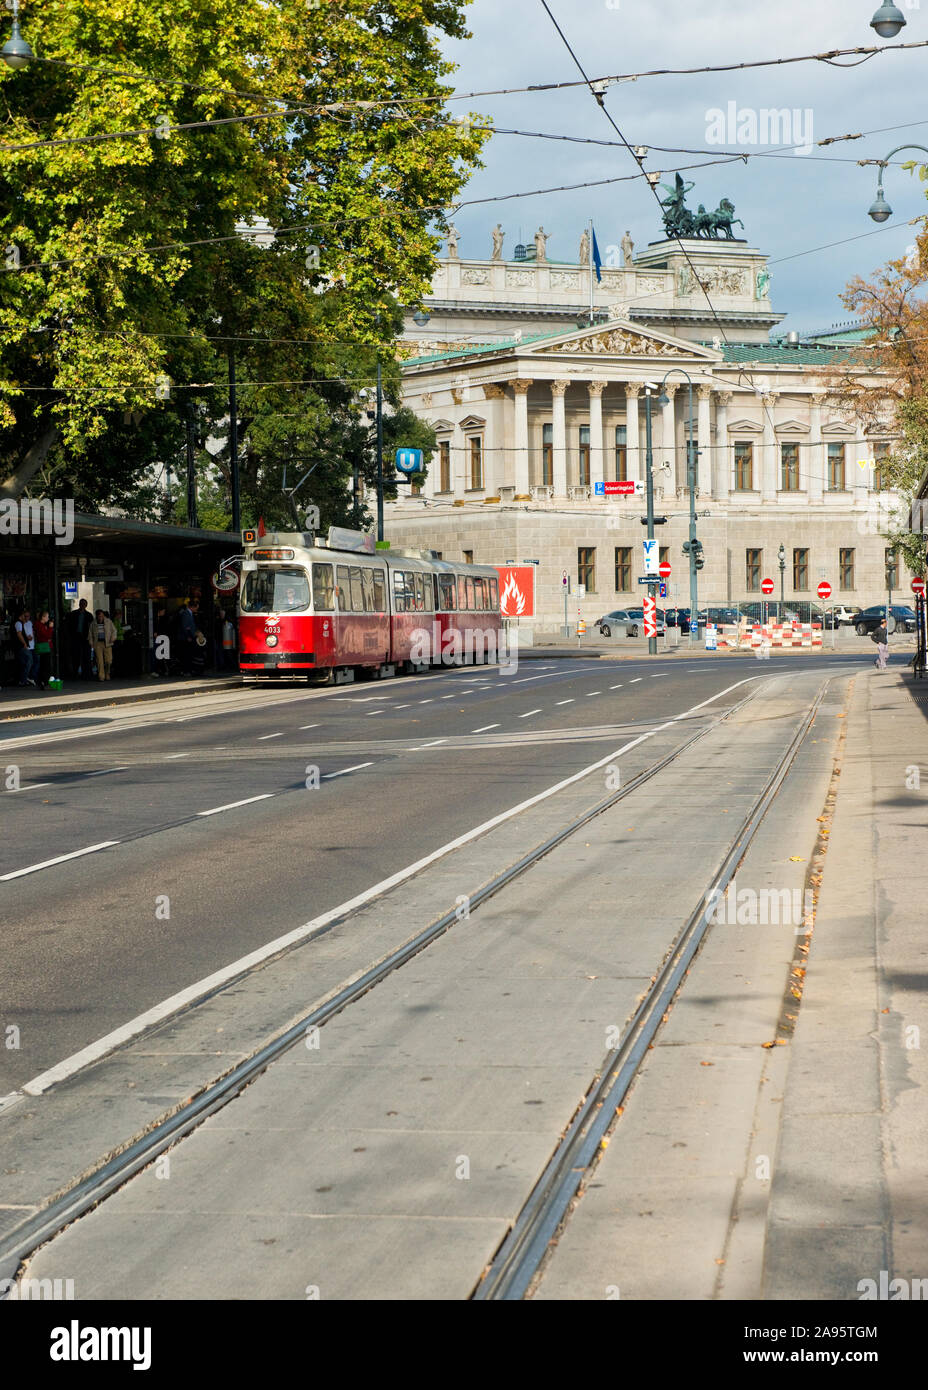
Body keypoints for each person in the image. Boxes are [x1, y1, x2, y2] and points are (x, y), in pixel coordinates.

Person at [67, 598, 92, 678]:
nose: (82, 606)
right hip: (76, 636)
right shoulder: (73, 614)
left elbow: (91, 627)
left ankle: (86, 673)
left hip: (85, 637)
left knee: (86, 655)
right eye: (81, 604)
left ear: (86, 605)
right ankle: (75, 672)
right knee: (75, 655)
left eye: (84, 604)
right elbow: (69, 626)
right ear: (79, 604)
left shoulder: (89, 615)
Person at [90, 608, 117, 681]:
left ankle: (107, 673)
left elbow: (114, 631)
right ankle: (101, 676)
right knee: (99, 661)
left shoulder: (108, 622)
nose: (100, 618)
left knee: (108, 660)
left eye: (102, 616)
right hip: (97, 643)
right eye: (99, 616)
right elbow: (90, 634)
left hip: (107, 643)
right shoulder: (93, 623)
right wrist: (91, 643)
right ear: (96, 616)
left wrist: (113, 638)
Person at [14, 608, 37, 686]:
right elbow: (19, 634)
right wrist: (24, 643)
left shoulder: (26, 623)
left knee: (27, 662)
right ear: (22, 616)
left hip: (27, 646)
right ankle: (24, 679)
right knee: (29, 661)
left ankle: (25, 678)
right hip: (23, 646)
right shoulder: (18, 623)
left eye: (28, 616)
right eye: (25, 616)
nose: (27, 618)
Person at [176, 600, 198, 675]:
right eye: (196, 608)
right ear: (192, 607)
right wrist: (188, 636)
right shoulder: (186, 613)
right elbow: (185, 626)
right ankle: (186, 670)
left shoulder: (189, 613)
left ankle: (188, 670)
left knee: (188, 654)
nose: (196, 609)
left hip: (188, 637)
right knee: (187, 655)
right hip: (185, 638)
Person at [34, 609, 55, 689]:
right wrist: (50, 628)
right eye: (47, 617)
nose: (48, 618)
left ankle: (43, 681)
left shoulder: (42, 625)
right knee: (45, 665)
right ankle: (43, 681)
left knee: (45, 664)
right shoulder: (39, 625)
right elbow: (47, 635)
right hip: (44, 646)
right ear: (43, 617)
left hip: (46, 646)